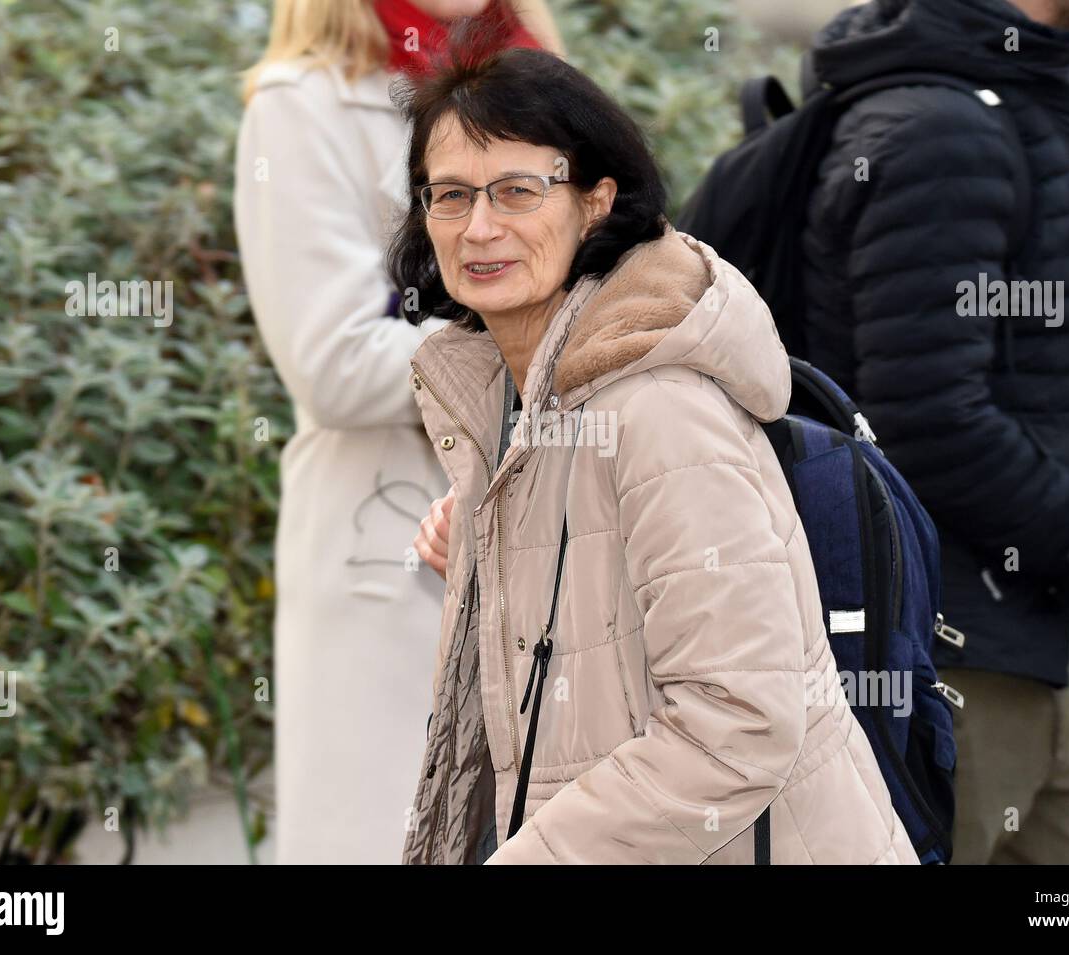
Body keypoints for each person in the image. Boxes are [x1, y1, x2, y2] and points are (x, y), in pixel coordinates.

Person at [392, 37, 918, 865]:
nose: (479, 227)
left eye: (518, 191)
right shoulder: (518, 396)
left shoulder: (660, 405)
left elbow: (738, 720)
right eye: (450, 195)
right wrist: (493, 562)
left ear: (596, 201)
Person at [799, 0, 1069, 863]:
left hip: (1020, 655)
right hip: (945, 663)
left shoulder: (1020, 99)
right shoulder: (943, 134)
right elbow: (930, 431)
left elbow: (1050, 394)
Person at [233, 0, 558, 864]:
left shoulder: (543, 83)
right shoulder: (304, 103)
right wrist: (531, 329)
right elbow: (334, 363)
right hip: (388, 562)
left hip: (560, 537)